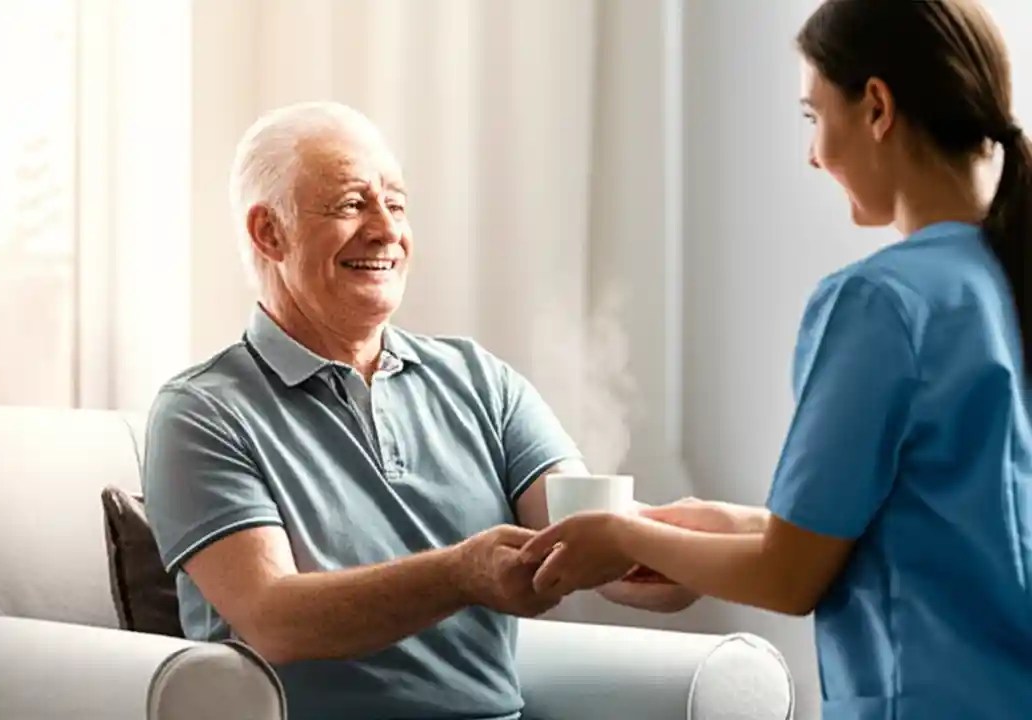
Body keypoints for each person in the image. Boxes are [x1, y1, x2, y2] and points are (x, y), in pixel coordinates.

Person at [522, 1, 1032, 718]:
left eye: (812, 116)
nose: (814, 153)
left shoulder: (881, 302)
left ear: (877, 107)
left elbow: (790, 577)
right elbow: (926, 527)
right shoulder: (997, 282)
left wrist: (622, 534)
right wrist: (713, 525)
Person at [142, 101, 696, 720]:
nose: (386, 230)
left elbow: (588, 544)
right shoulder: (202, 412)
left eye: (397, 204)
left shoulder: (479, 380)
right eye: (352, 203)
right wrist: (459, 574)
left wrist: (679, 550)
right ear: (269, 232)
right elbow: (275, 619)